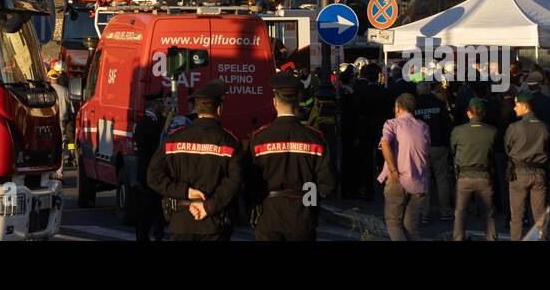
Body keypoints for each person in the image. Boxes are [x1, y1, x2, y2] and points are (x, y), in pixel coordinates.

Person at [146, 80, 243, 241]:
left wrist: (184, 191)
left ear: (196, 109)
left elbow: (153, 176)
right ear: (219, 108)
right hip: (214, 222)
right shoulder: (229, 141)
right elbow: (235, 181)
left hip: (181, 222)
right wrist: (208, 206)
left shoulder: (174, 139)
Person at [245, 73, 336, 241]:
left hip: (269, 215)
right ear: (299, 101)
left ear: (274, 102)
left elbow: (250, 181)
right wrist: (309, 203)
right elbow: (327, 183)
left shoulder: (259, 138)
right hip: (302, 216)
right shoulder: (315, 137)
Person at [379, 92, 430, 241]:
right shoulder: (424, 127)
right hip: (418, 182)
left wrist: (393, 170)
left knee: (393, 222)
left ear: (398, 108)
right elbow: (426, 153)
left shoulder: (392, 124)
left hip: (398, 178)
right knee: (410, 225)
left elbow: (385, 143)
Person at [504, 90, 550, 240]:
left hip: (519, 173)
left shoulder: (515, 127)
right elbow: (549, 147)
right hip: (539, 173)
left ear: (524, 106)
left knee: (517, 215)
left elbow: (507, 147)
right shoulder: (544, 126)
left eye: (516, 105)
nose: (514, 108)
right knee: (540, 214)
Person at [449, 97, 497, 241]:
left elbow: (453, 149)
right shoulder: (491, 131)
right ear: (483, 114)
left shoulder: (458, 131)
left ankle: (458, 238)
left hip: (464, 176)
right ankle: (491, 238)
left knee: (460, 213)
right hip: (484, 175)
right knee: (488, 213)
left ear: (469, 113)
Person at [413, 79, 454, 223]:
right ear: (429, 90)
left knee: (424, 180)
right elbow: (447, 125)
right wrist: (445, 143)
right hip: (438, 145)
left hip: (421, 147)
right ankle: (445, 212)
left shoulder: (414, 105)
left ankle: (425, 213)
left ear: (418, 91)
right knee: (442, 179)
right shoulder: (439, 103)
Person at [351, 64, 391, 201]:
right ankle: (384, 186)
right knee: (382, 159)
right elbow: (388, 112)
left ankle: (369, 189)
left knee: (366, 160)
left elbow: (356, 110)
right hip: (381, 129)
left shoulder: (361, 91)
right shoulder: (384, 91)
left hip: (365, 130)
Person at [132, 90, 166, 241]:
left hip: (151, 172)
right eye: (162, 103)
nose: (164, 106)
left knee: (156, 206)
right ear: (155, 105)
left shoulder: (151, 121)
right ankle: (143, 235)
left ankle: (156, 233)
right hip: (149, 172)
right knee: (147, 208)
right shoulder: (148, 123)